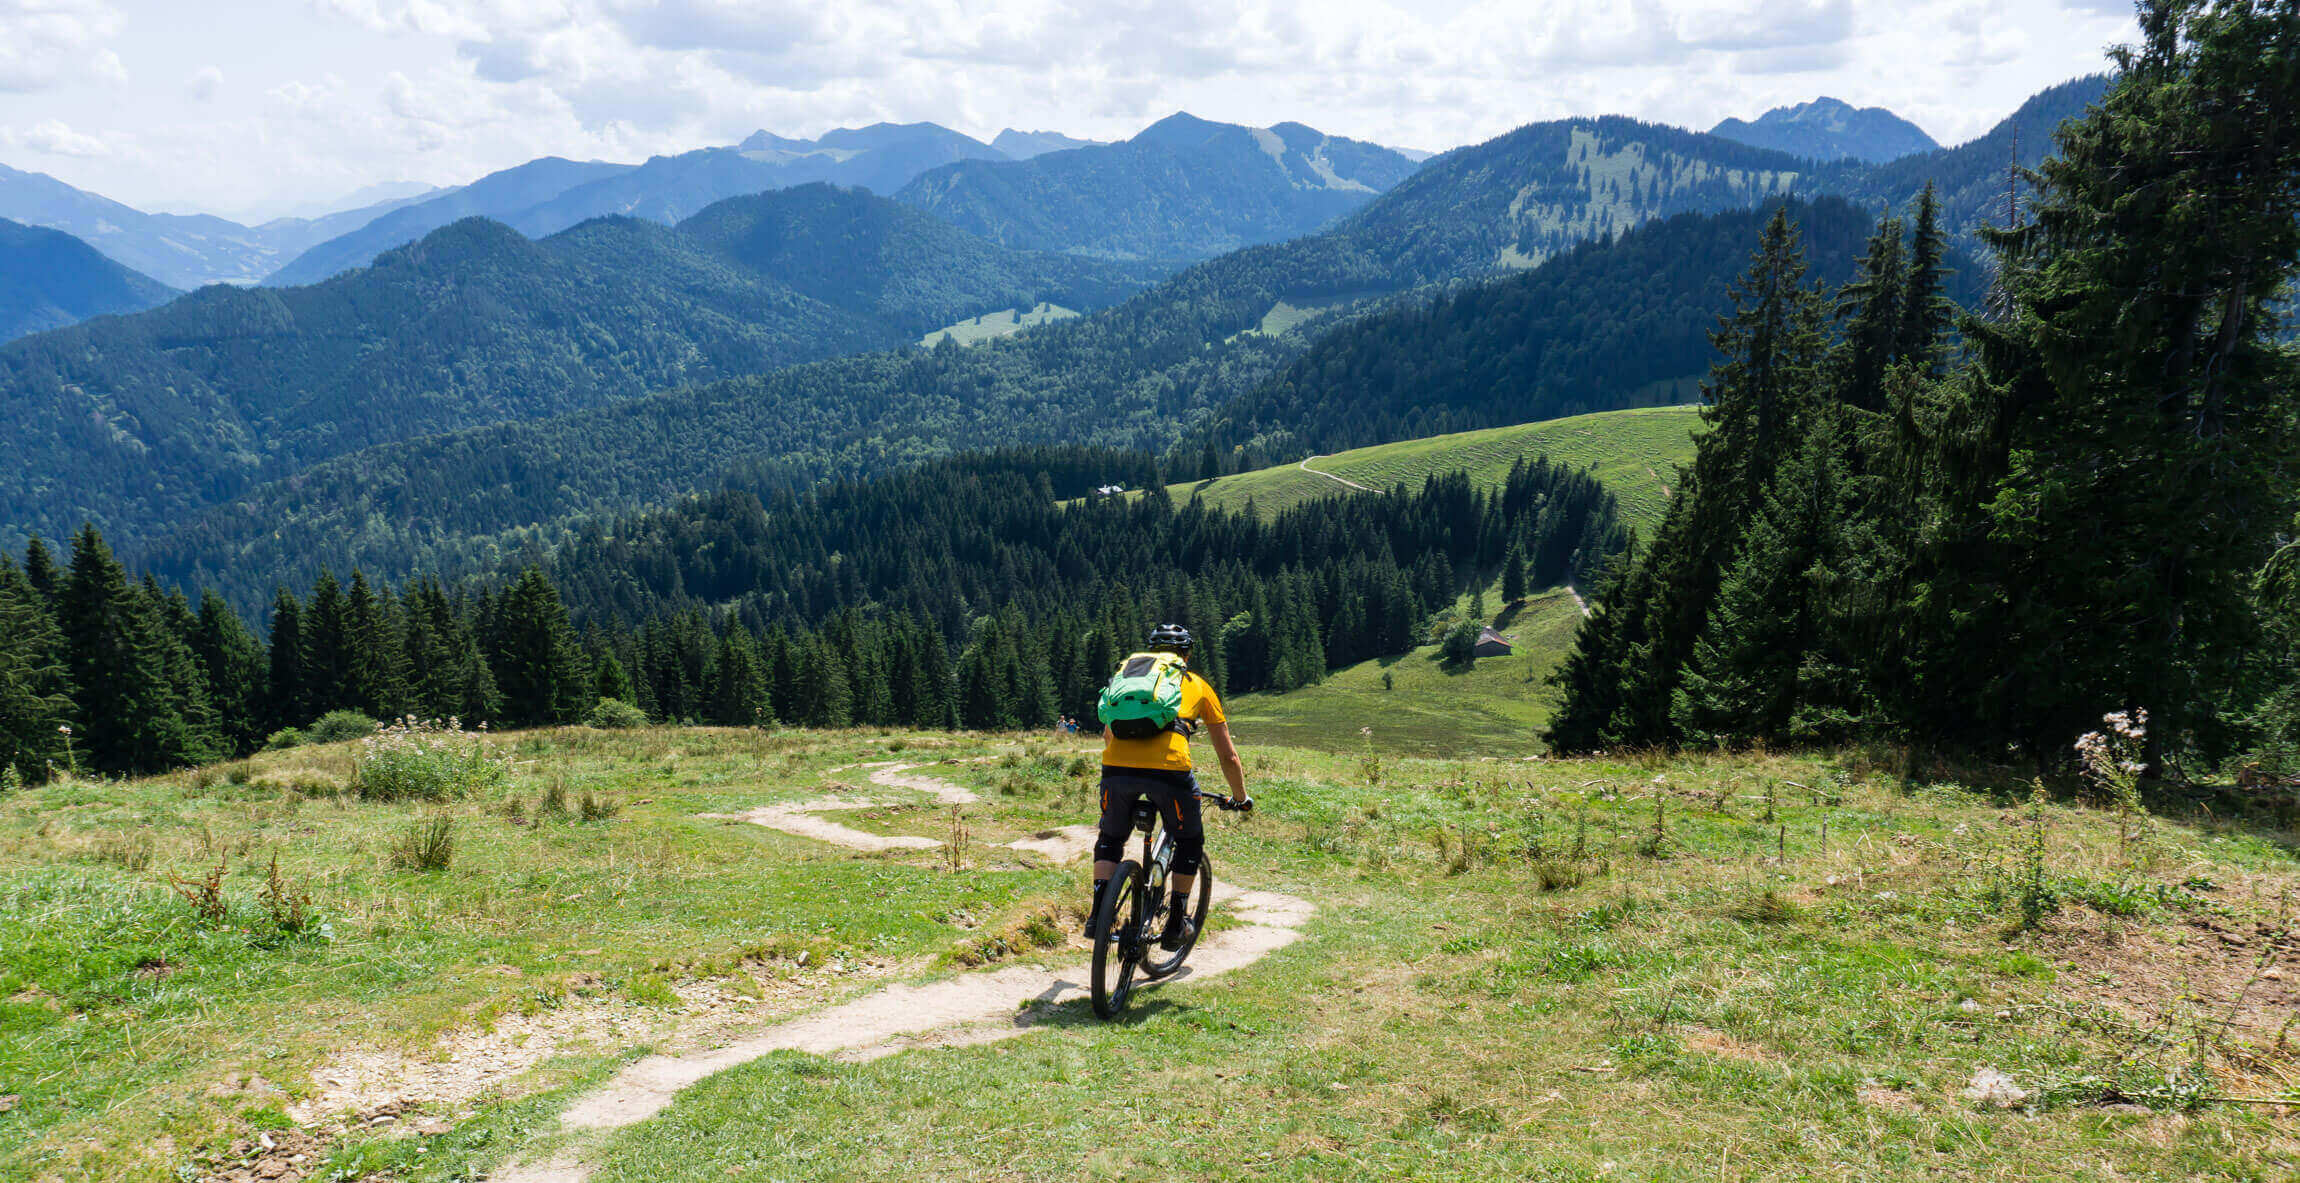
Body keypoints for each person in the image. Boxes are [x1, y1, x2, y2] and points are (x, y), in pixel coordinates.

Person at [1089, 623, 1251, 950]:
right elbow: (1228, 756)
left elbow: (1108, 735)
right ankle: (1176, 921)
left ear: (1151, 649)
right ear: (1187, 654)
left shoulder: (1129, 678)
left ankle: (1098, 916)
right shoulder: (1196, 685)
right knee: (1190, 840)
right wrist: (1240, 798)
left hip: (1116, 769)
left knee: (1110, 838)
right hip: (1169, 772)